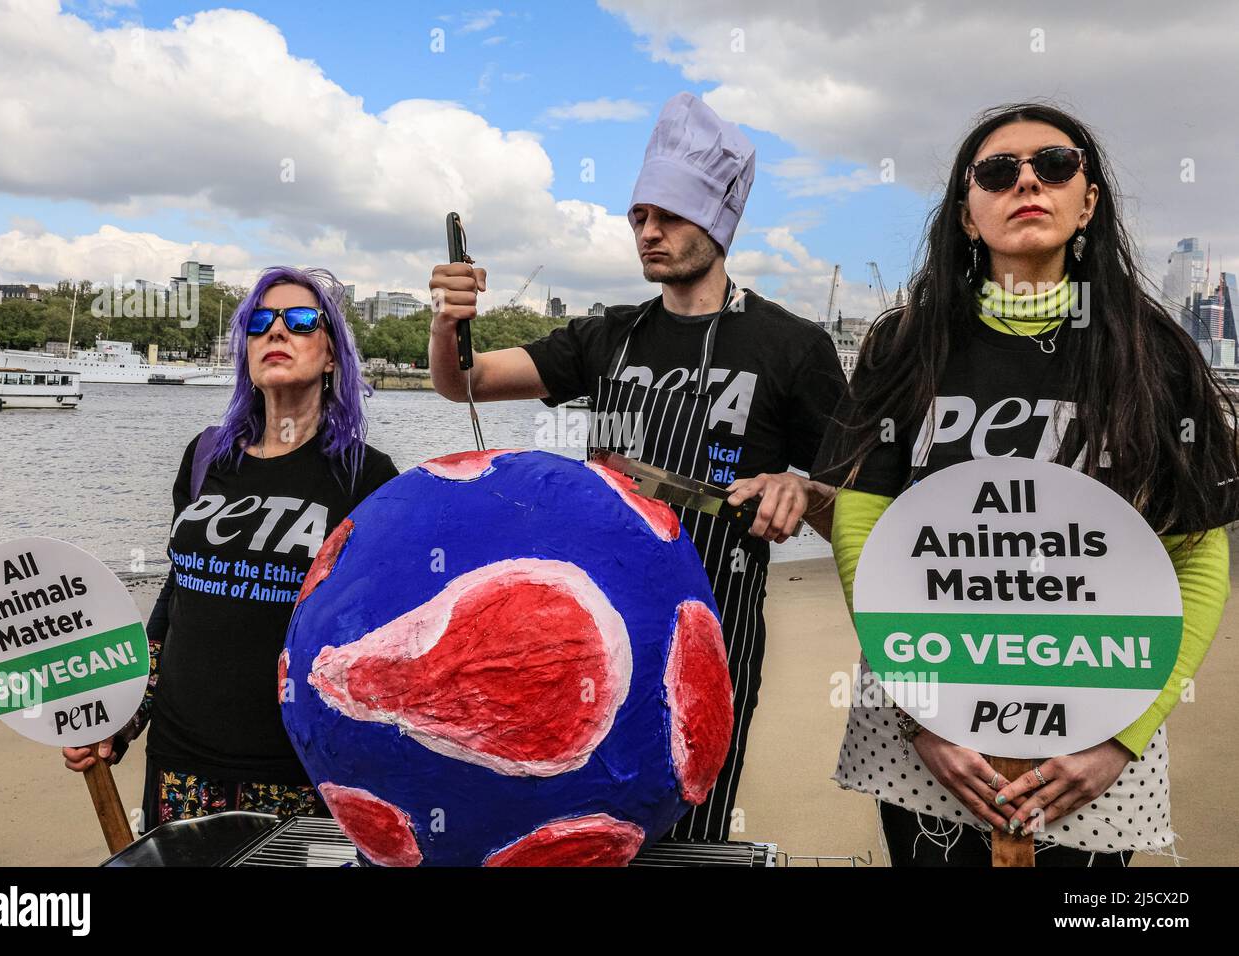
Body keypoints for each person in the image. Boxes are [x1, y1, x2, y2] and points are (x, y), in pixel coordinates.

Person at [810, 103, 1238, 865]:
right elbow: (864, 524)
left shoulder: (1156, 355)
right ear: (968, 215)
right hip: (926, 720)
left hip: (1098, 729)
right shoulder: (906, 343)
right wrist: (923, 716)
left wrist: (1124, 737)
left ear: (1089, 202)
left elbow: (1197, 551)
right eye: (998, 172)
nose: (1027, 182)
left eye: (1055, 165)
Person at [428, 92, 847, 841]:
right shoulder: (607, 338)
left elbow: (854, 505)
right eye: (638, 218)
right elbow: (466, 382)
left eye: (669, 217)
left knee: (688, 830)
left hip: (713, 637)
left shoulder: (794, 347)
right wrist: (446, 324)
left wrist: (801, 488)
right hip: (590, 634)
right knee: (579, 828)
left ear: (718, 221)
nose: (649, 233)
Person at [62, 266, 399, 832]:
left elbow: (384, 632)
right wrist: (120, 719)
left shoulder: (368, 479)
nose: (276, 332)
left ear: (333, 353)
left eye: (299, 320)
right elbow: (177, 597)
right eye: (260, 322)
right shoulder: (205, 457)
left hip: (298, 771)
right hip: (180, 764)